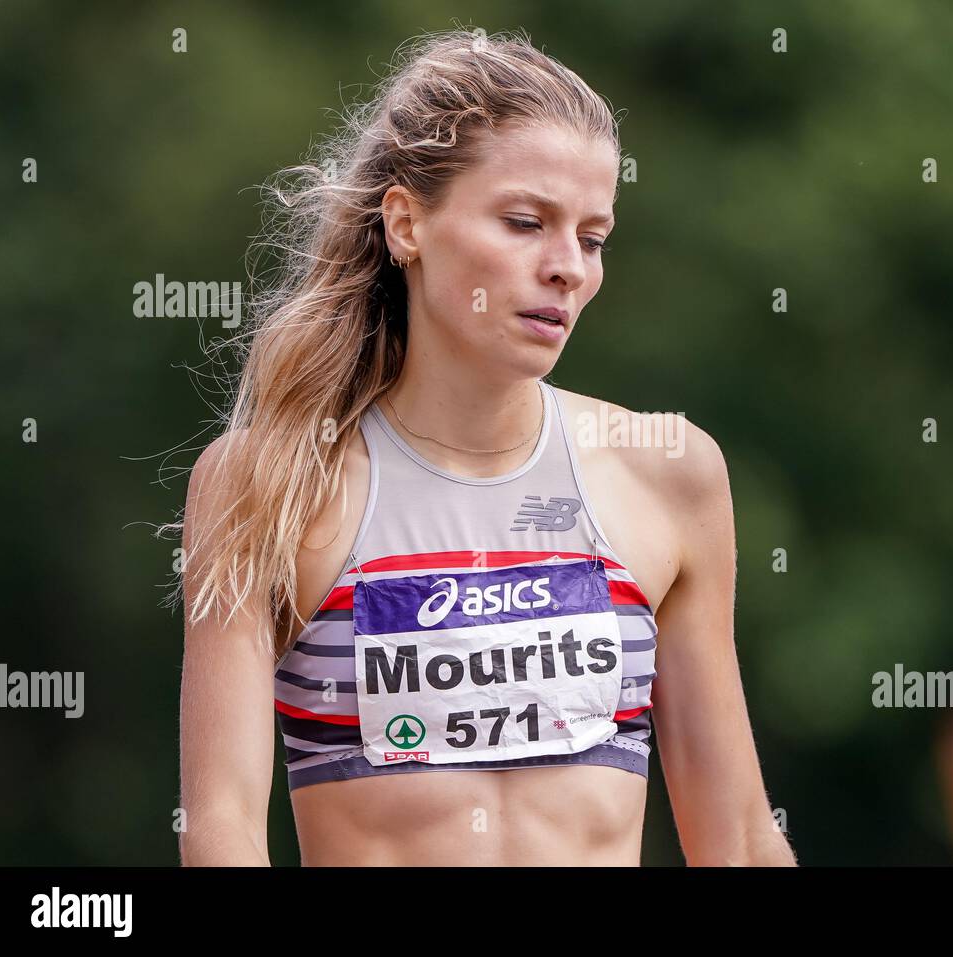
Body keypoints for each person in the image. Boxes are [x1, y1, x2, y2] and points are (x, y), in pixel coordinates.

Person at [173, 28, 796, 867]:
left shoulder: (669, 470)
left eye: (593, 236)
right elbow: (221, 832)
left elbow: (743, 843)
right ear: (406, 223)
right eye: (525, 222)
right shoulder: (269, 477)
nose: (567, 267)